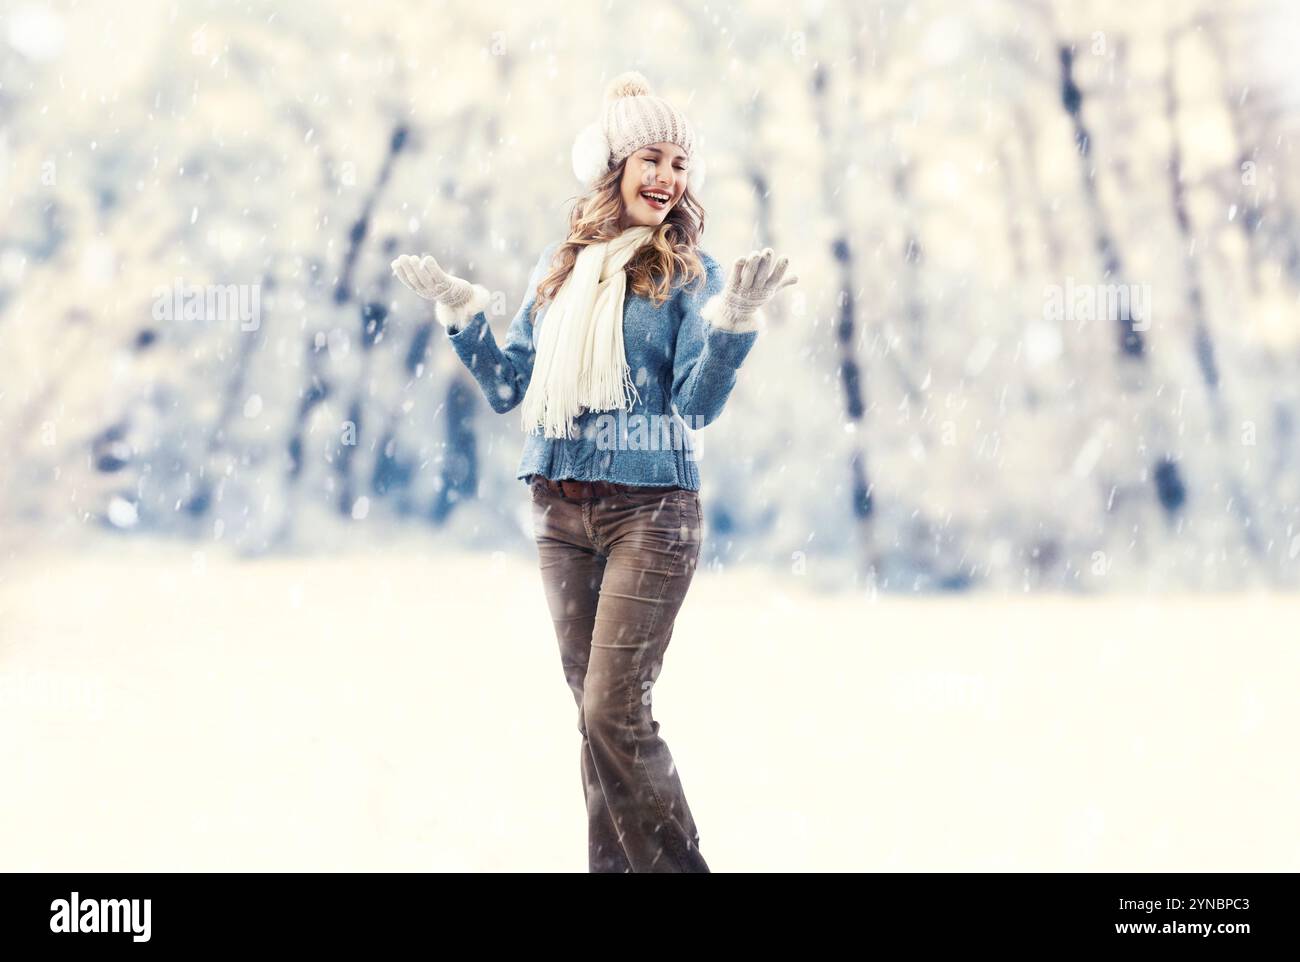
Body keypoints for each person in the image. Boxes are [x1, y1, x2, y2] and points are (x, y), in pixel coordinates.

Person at [392, 70, 797, 873]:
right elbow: (511, 387)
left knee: (616, 711)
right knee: (594, 717)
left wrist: (733, 325)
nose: (668, 177)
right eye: (652, 156)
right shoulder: (564, 266)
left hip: (651, 512)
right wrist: (461, 313)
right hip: (559, 509)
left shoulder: (690, 274)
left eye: (681, 163)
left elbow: (696, 404)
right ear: (611, 166)